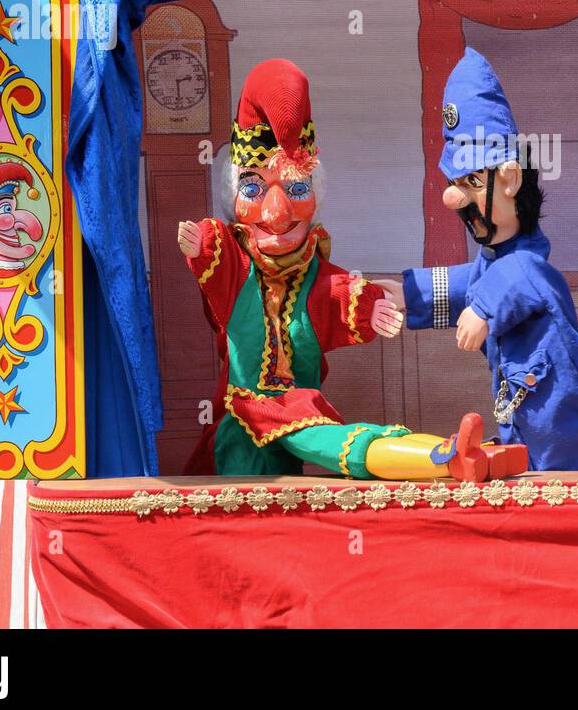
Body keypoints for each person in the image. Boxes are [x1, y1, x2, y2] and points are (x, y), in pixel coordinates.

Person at [180, 57, 525, 480]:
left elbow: (337, 293)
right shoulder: (237, 264)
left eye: (296, 189)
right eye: (254, 188)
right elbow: (219, 259)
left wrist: (373, 303)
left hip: (293, 404)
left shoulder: (312, 272)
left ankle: (447, 457)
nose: (276, 212)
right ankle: (447, 455)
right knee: (332, 443)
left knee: (332, 441)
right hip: (245, 411)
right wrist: (202, 245)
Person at [379, 48, 578, 472]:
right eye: (453, 183)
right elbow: (472, 279)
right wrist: (410, 294)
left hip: (561, 413)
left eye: (470, 182)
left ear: (509, 179)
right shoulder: (494, 262)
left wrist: (484, 309)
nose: (454, 198)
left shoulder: (526, 265)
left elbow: (521, 276)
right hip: (524, 411)